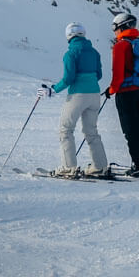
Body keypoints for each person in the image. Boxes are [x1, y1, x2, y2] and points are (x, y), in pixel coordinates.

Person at [37, 22, 108, 178]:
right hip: (95, 95)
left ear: (68, 36)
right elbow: (99, 75)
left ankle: (69, 167)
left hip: (78, 95)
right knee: (91, 131)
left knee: (66, 129)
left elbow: (69, 78)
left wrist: (52, 90)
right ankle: (100, 166)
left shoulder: (71, 53)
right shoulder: (94, 52)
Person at [108, 12, 139, 177]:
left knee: (130, 131)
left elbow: (118, 74)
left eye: (115, 28)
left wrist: (111, 90)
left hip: (126, 93)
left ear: (121, 26)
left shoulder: (121, 46)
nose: (114, 32)